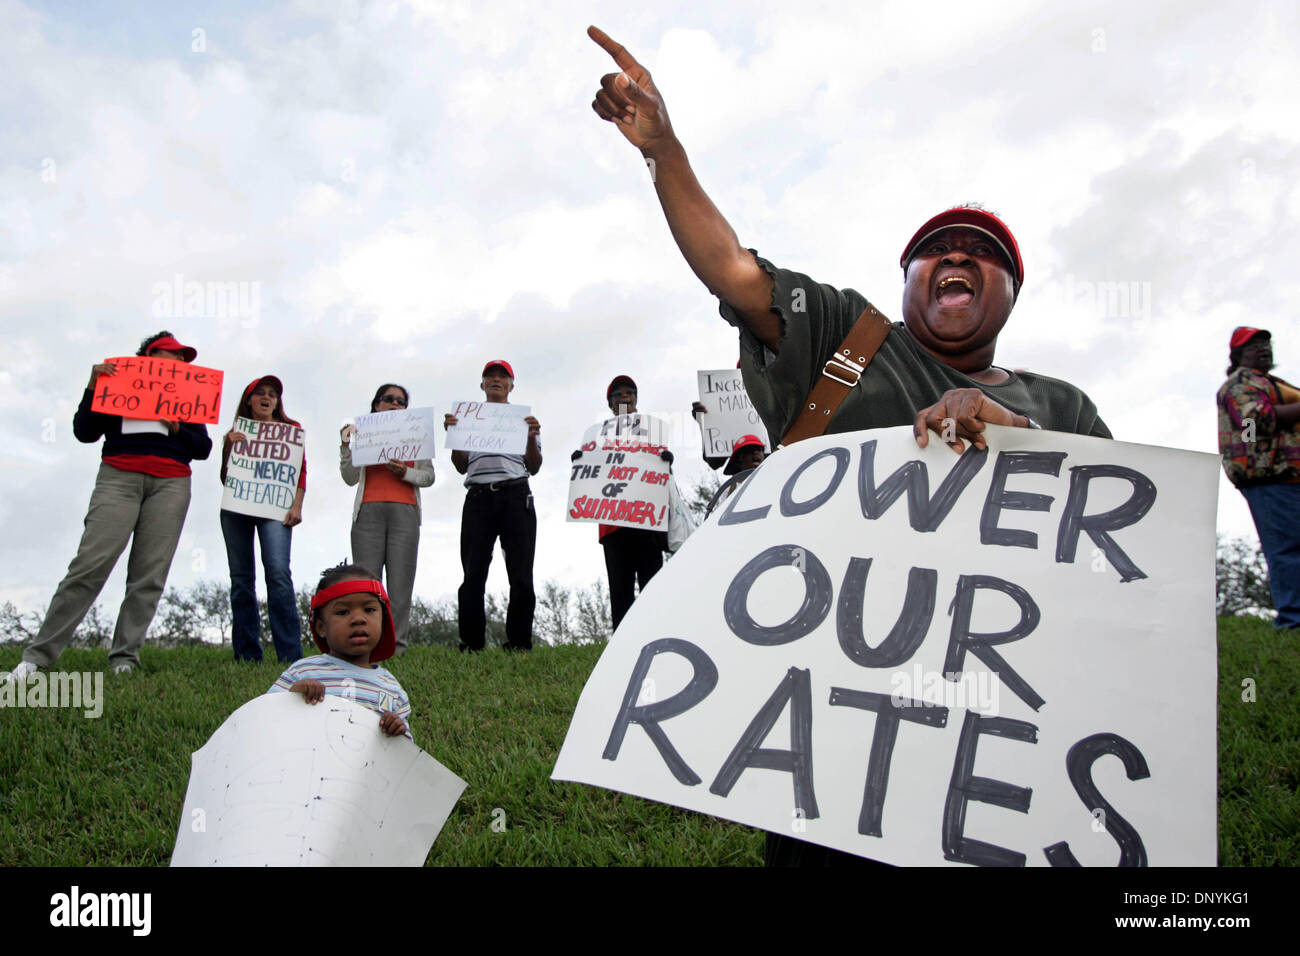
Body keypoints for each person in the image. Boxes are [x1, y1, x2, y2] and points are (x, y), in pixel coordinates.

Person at [587, 26, 1111, 865]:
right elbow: (728, 266)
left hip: (996, 734)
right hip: (834, 718)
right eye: (937, 249)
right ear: (906, 279)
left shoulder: (1064, 406)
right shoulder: (845, 332)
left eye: (984, 255)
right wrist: (664, 151)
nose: (958, 258)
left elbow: (1114, 566)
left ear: (1010, 290)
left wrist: (1010, 435)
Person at [4, 332, 212, 681]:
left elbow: (202, 447)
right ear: (149, 356)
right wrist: (92, 388)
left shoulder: (187, 396)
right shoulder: (119, 384)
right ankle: (37, 658)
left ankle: (125, 657)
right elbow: (85, 432)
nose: (178, 362)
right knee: (89, 565)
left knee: (149, 575)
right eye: (171, 354)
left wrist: (176, 429)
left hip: (171, 483)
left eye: (182, 358)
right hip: (119, 478)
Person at [443, 360, 542, 652]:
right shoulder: (468, 418)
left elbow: (534, 466)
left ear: (511, 385)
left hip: (515, 494)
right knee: (473, 573)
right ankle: (472, 643)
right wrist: (454, 434)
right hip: (478, 497)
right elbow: (461, 465)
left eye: (503, 376)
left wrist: (531, 438)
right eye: (491, 376)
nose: (496, 380)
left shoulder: (524, 421)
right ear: (482, 385)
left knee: (521, 573)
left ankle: (520, 642)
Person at [339, 383, 435, 656]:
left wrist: (404, 472)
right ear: (376, 405)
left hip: (405, 513)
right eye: (389, 399)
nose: (395, 405)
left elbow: (428, 477)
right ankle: (367, 647)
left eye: (401, 402)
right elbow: (349, 478)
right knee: (368, 585)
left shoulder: (417, 434)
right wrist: (346, 446)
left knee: (400, 585)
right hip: (368, 513)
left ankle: (397, 648)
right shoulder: (364, 433)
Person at [1217, 327, 1300, 630]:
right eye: (1254, 346)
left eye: (1266, 343)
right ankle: (1293, 621)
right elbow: (1253, 421)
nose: (1263, 348)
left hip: (1290, 475)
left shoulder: (1273, 384)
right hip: (1269, 475)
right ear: (1238, 354)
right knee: (1287, 549)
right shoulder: (1239, 384)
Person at [269, 563, 411, 739]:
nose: (358, 619)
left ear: (383, 620)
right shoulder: (303, 672)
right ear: (321, 627)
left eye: (369, 610)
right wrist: (293, 697)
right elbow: (265, 715)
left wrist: (397, 729)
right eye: (343, 612)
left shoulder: (392, 688)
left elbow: (405, 755)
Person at [220, 376, 305, 664]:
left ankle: (290, 656)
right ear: (249, 401)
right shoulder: (236, 433)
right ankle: (247, 654)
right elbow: (226, 478)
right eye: (260, 393)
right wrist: (228, 447)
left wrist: (297, 505)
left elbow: (299, 474)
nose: (267, 398)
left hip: (275, 510)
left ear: (278, 402)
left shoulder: (291, 432)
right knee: (241, 579)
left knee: (279, 574)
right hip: (237, 510)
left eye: (273, 394)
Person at [585, 375, 672, 630]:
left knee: (652, 585)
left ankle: (656, 632)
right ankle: (622, 644)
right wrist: (582, 460)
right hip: (613, 524)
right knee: (620, 589)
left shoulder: (652, 433)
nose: (624, 397)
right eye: (618, 394)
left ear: (636, 400)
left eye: (630, 393)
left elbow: (662, 476)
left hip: (647, 520)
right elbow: (589, 479)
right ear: (610, 403)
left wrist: (667, 460)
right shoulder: (597, 436)